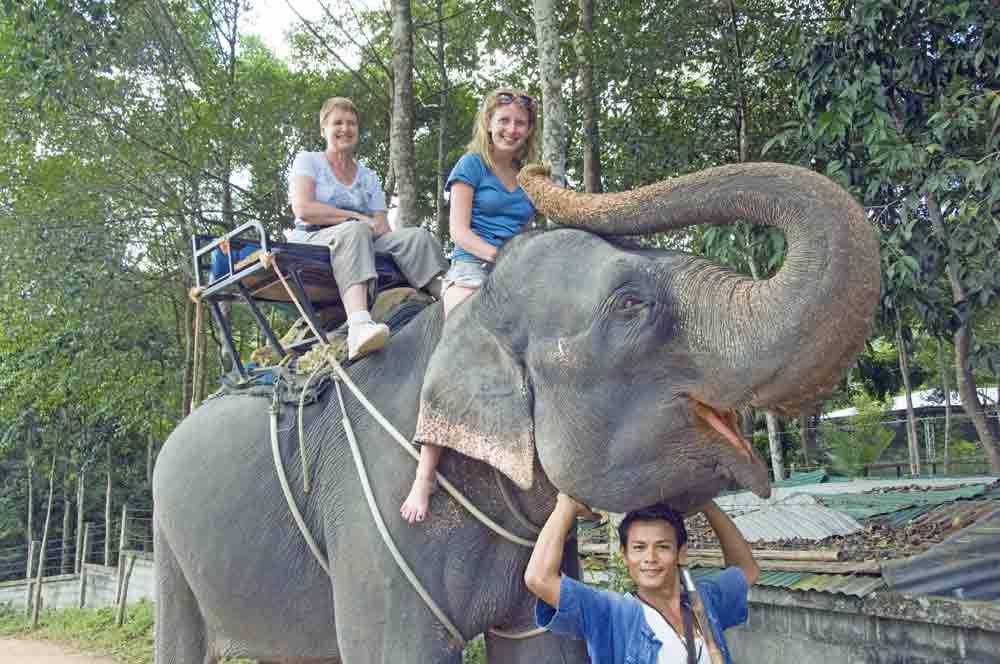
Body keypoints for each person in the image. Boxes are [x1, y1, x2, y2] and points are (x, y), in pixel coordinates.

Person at [400, 88, 538, 523]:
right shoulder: (471, 166)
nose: (511, 129)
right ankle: (424, 475)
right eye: (504, 121)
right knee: (457, 353)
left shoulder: (529, 177)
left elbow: (529, 233)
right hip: (471, 270)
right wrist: (498, 257)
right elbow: (459, 232)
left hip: (516, 274)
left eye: (519, 123)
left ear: (529, 130)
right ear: (489, 123)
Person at [288, 96, 448, 360]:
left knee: (416, 237)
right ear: (323, 129)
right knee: (354, 230)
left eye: (351, 123)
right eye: (337, 123)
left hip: (360, 239)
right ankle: (359, 326)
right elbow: (303, 208)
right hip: (313, 238)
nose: (345, 129)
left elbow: (382, 226)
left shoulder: (368, 176)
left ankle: (449, 298)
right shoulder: (308, 161)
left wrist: (370, 227)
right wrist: (354, 217)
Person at [524, 496, 759, 664]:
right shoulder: (611, 614)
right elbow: (539, 578)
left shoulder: (704, 600)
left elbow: (746, 570)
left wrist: (707, 504)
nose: (650, 558)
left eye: (663, 546)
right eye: (639, 547)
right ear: (624, 555)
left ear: (681, 553)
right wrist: (566, 506)